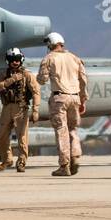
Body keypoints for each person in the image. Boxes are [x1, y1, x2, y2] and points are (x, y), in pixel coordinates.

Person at [36, 32, 88, 177]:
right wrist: (83, 99)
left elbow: (42, 79)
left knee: (61, 130)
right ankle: (76, 157)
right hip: (75, 98)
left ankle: (64, 165)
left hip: (60, 99)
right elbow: (83, 80)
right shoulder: (75, 58)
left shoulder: (49, 58)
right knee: (73, 129)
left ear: (50, 44)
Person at [0, 47, 41, 172]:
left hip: (21, 108)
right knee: (2, 136)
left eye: (17, 59)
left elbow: (36, 92)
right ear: (8, 61)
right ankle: (7, 159)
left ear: (21, 60)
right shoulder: (4, 75)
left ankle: (21, 162)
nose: (15, 62)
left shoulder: (27, 74)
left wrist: (35, 110)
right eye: (12, 59)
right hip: (7, 108)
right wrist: (11, 80)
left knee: (22, 137)